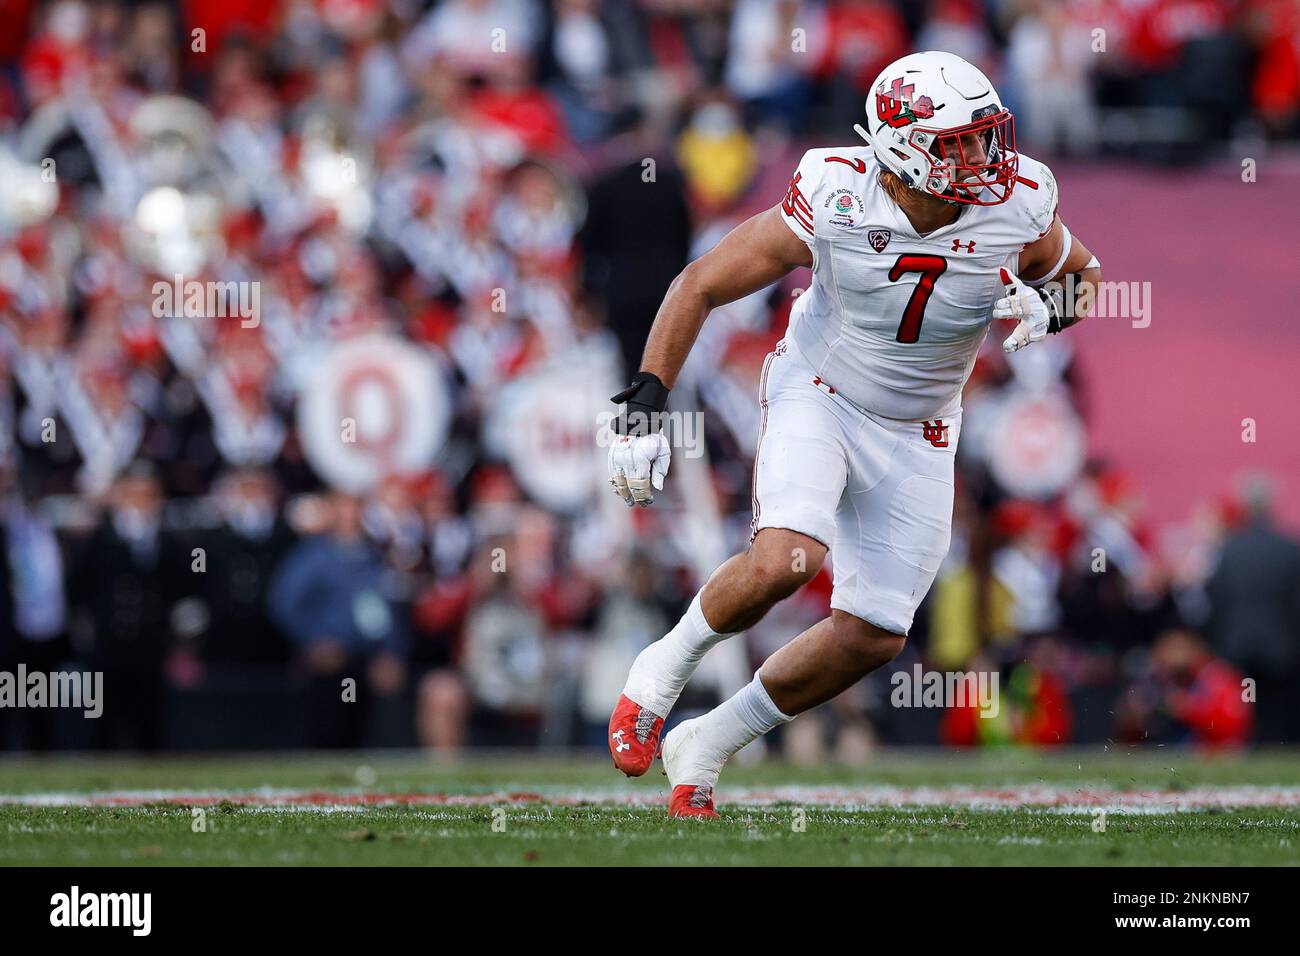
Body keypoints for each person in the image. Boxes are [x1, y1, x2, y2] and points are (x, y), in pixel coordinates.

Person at [603, 51, 1103, 817]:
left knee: (874, 635)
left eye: (986, 137)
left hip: (924, 424)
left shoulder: (1021, 202)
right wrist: (645, 398)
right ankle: (660, 673)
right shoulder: (838, 191)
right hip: (822, 391)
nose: (987, 160)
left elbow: (1084, 277)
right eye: (960, 144)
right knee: (785, 559)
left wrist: (1052, 308)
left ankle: (709, 741)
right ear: (902, 147)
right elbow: (700, 283)